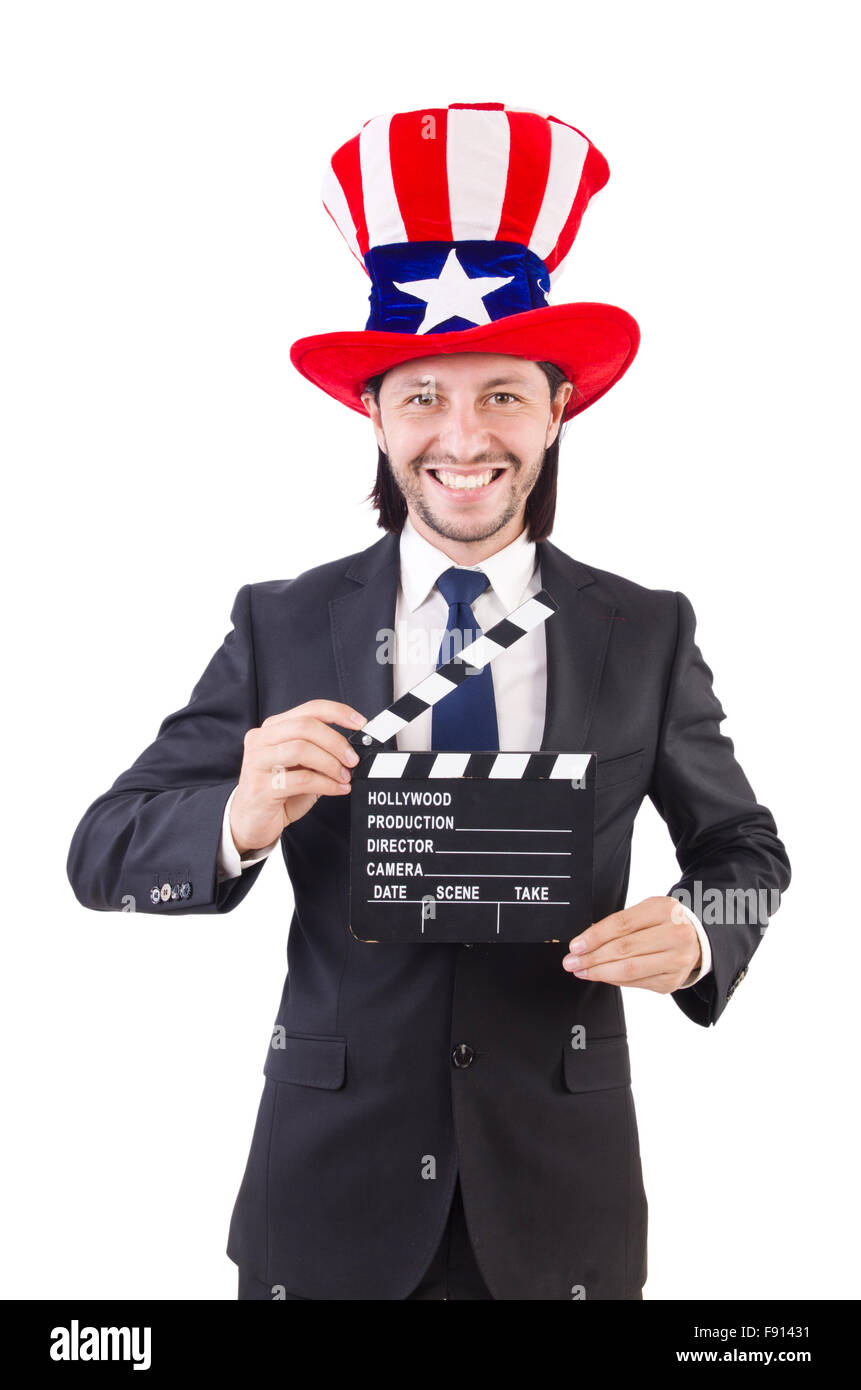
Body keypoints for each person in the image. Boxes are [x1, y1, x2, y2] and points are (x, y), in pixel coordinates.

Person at [67, 102, 791, 1300]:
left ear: (559, 411)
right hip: (327, 1207)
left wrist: (707, 926)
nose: (465, 436)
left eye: (503, 395)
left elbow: (749, 851)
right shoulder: (284, 623)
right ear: (375, 415)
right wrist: (238, 816)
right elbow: (100, 850)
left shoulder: (644, 629)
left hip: (563, 1213)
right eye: (424, 398)